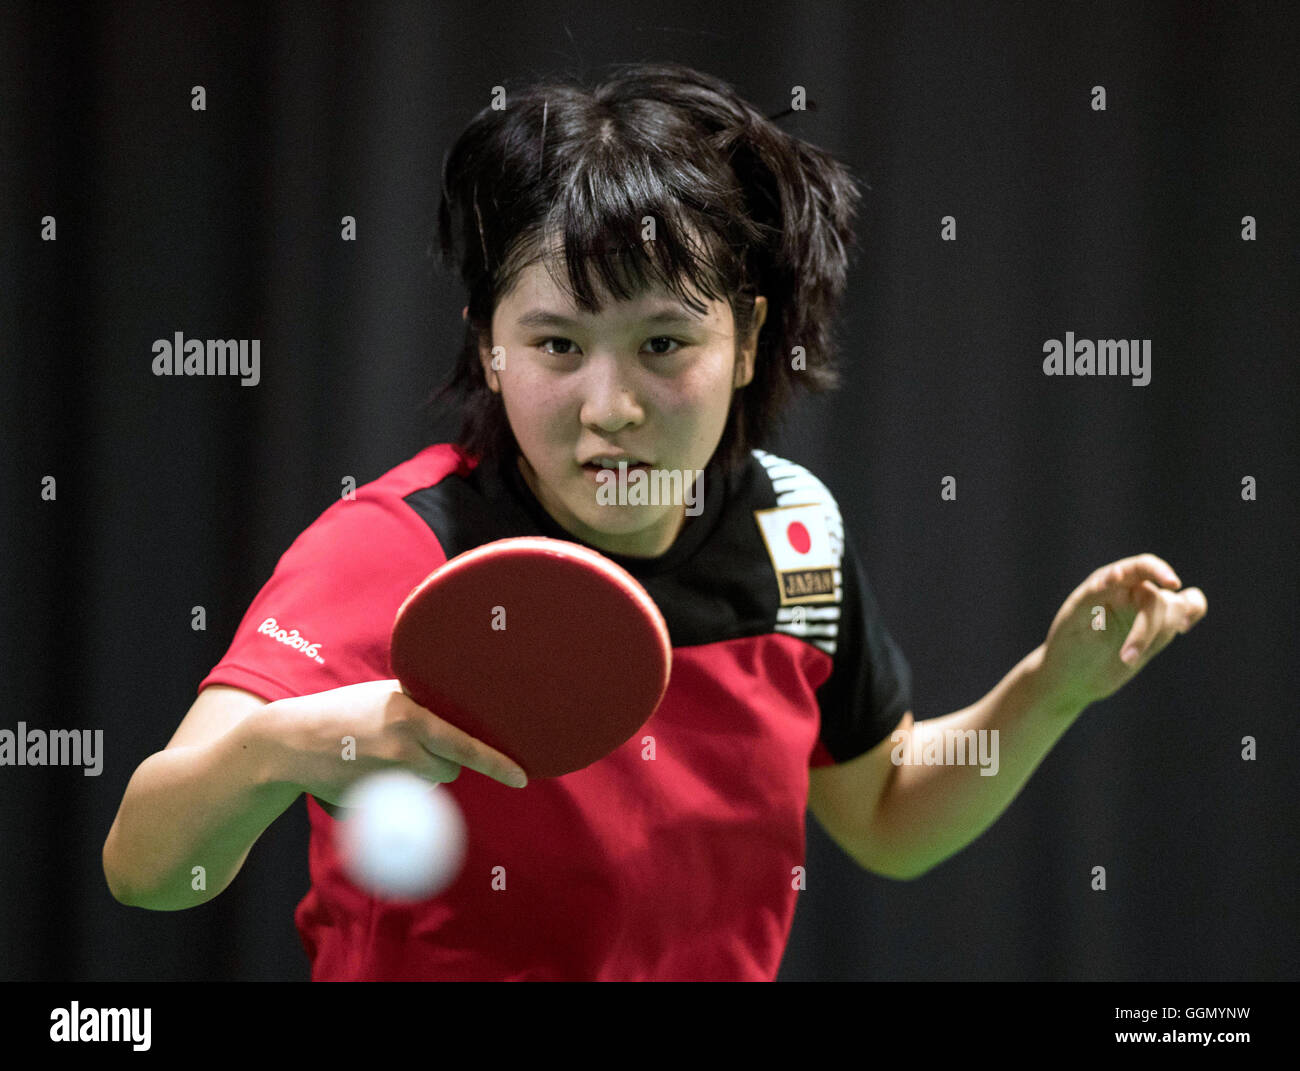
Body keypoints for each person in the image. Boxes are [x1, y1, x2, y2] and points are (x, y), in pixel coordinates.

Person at [101, 62, 1208, 981]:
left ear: (750, 336)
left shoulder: (794, 533)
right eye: (555, 346)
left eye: (664, 344)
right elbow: (147, 870)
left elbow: (882, 814)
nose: (609, 409)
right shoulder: (397, 544)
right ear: (489, 342)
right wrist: (283, 749)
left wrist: (1050, 689)